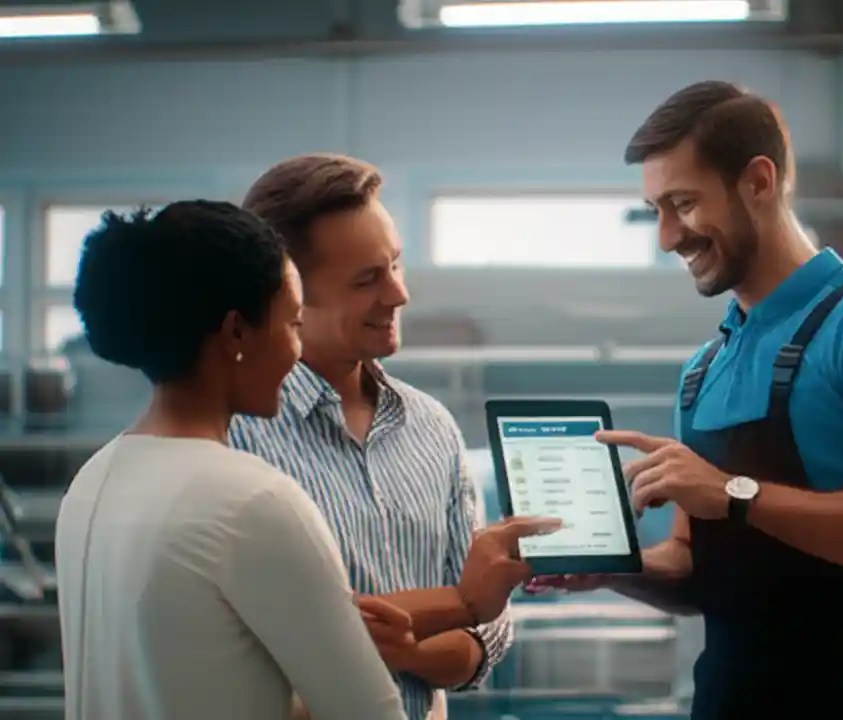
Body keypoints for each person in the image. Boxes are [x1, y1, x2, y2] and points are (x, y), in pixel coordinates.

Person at [531, 81, 843, 719]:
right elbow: (693, 567)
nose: (667, 236)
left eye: (683, 203)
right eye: (656, 209)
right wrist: (611, 569)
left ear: (759, 182)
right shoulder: (704, 369)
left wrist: (735, 494)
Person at [55, 201, 410, 720]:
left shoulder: (93, 481)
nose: (296, 351)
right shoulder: (251, 500)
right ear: (237, 333)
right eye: (292, 325)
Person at [230, 154, 508, 720]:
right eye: (367, 279)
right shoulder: (235, 435)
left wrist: (414, 648)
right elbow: (258, 644)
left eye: (396, 265)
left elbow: (488, 630)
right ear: (287, 294)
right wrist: (449, 611)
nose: (399, 294)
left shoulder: (431, 428)